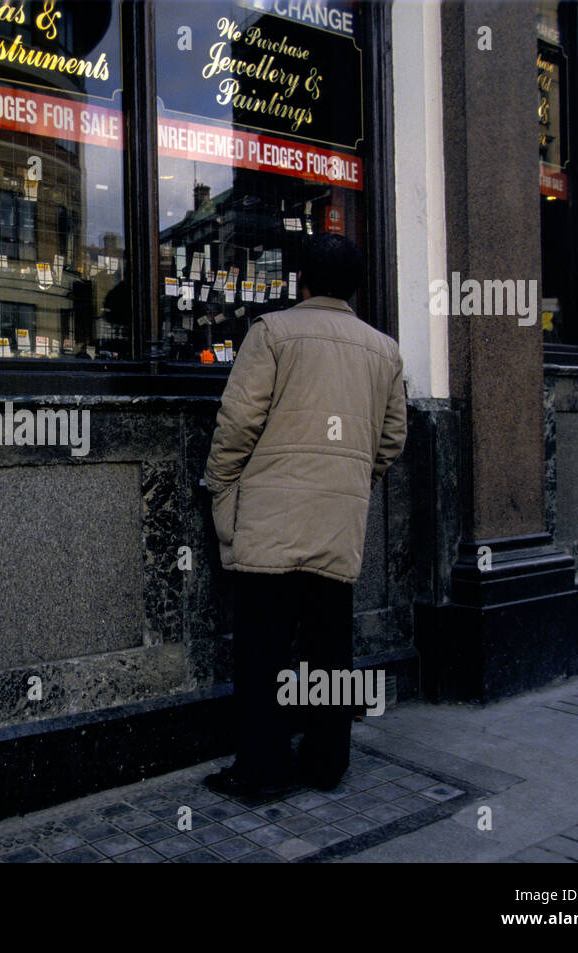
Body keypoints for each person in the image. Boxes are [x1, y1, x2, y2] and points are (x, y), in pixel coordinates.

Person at [202, 234, 407, 797]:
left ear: (303, 282)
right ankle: (325, 764)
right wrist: (351, 479)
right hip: (337, 524)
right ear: (356, 288)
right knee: (329, 649)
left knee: (263, 650)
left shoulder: (272, 332)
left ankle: (262, 771)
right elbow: (391, 439)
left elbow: (239, 423)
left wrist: (219, 481)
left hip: (272, 519)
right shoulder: (384, 350)